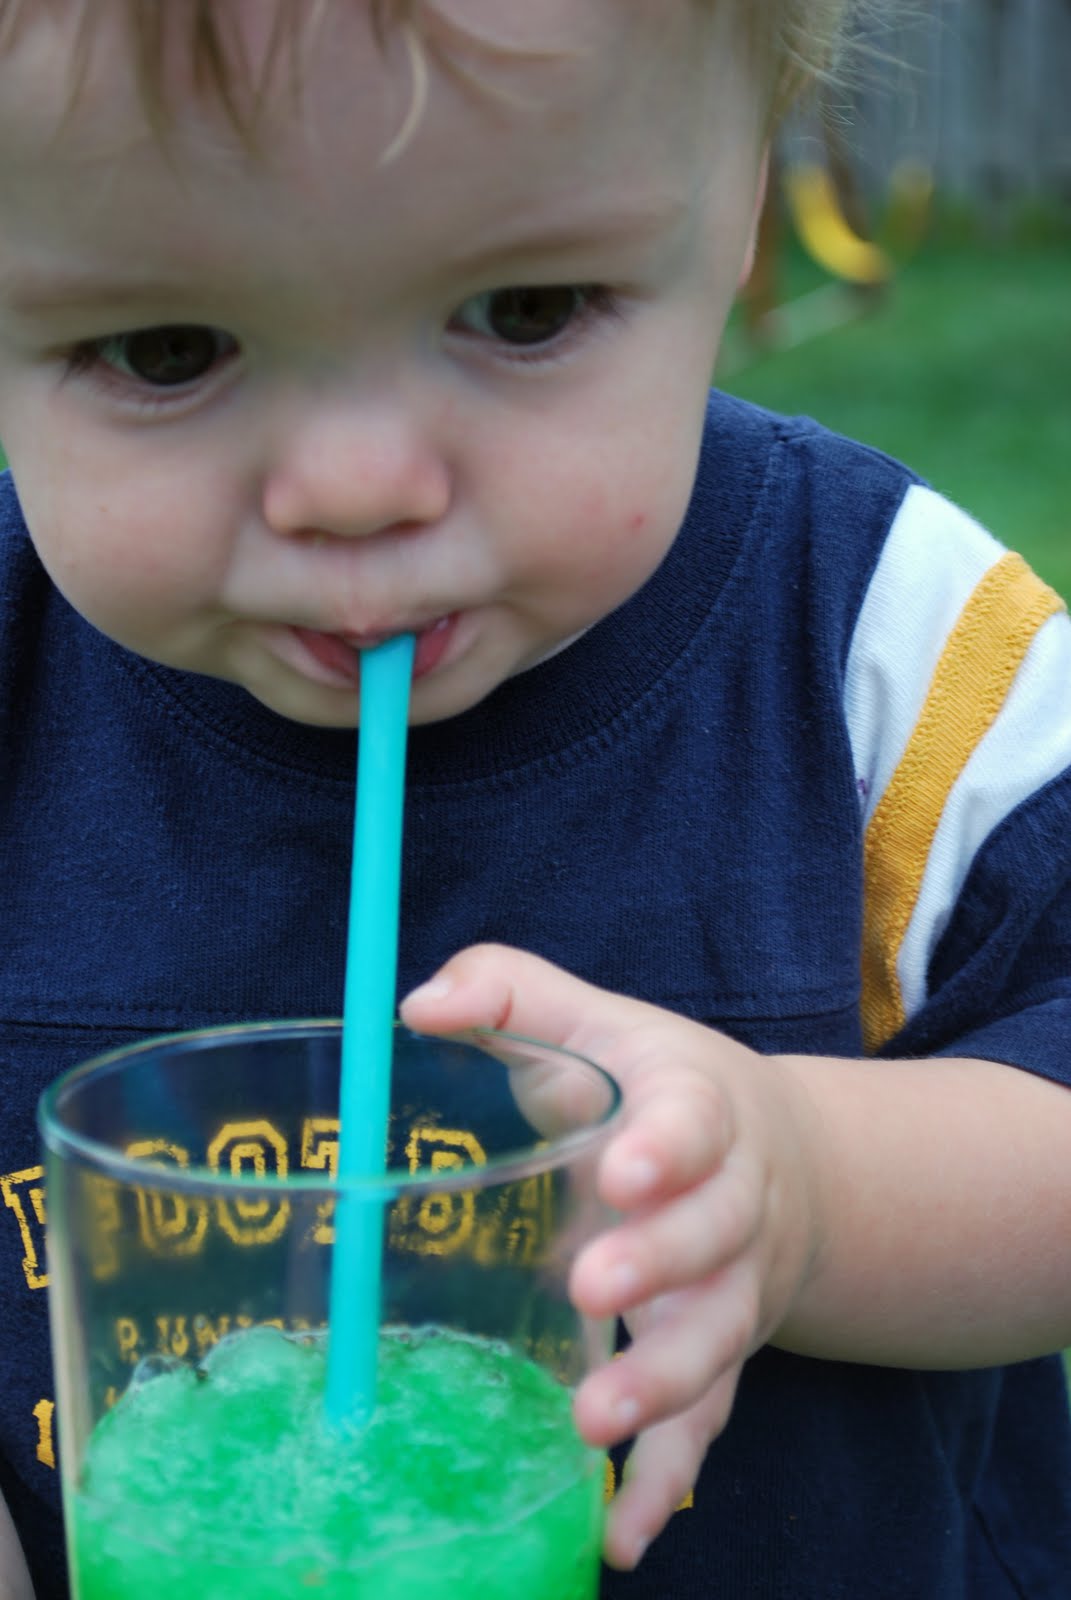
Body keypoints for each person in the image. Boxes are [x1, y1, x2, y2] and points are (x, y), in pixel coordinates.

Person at [0, 2, 1069, 1596]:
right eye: (168, 349)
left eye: (526, 307)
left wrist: (815, 1188)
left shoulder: (887, 662)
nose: (358, 488)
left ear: (742, 206)